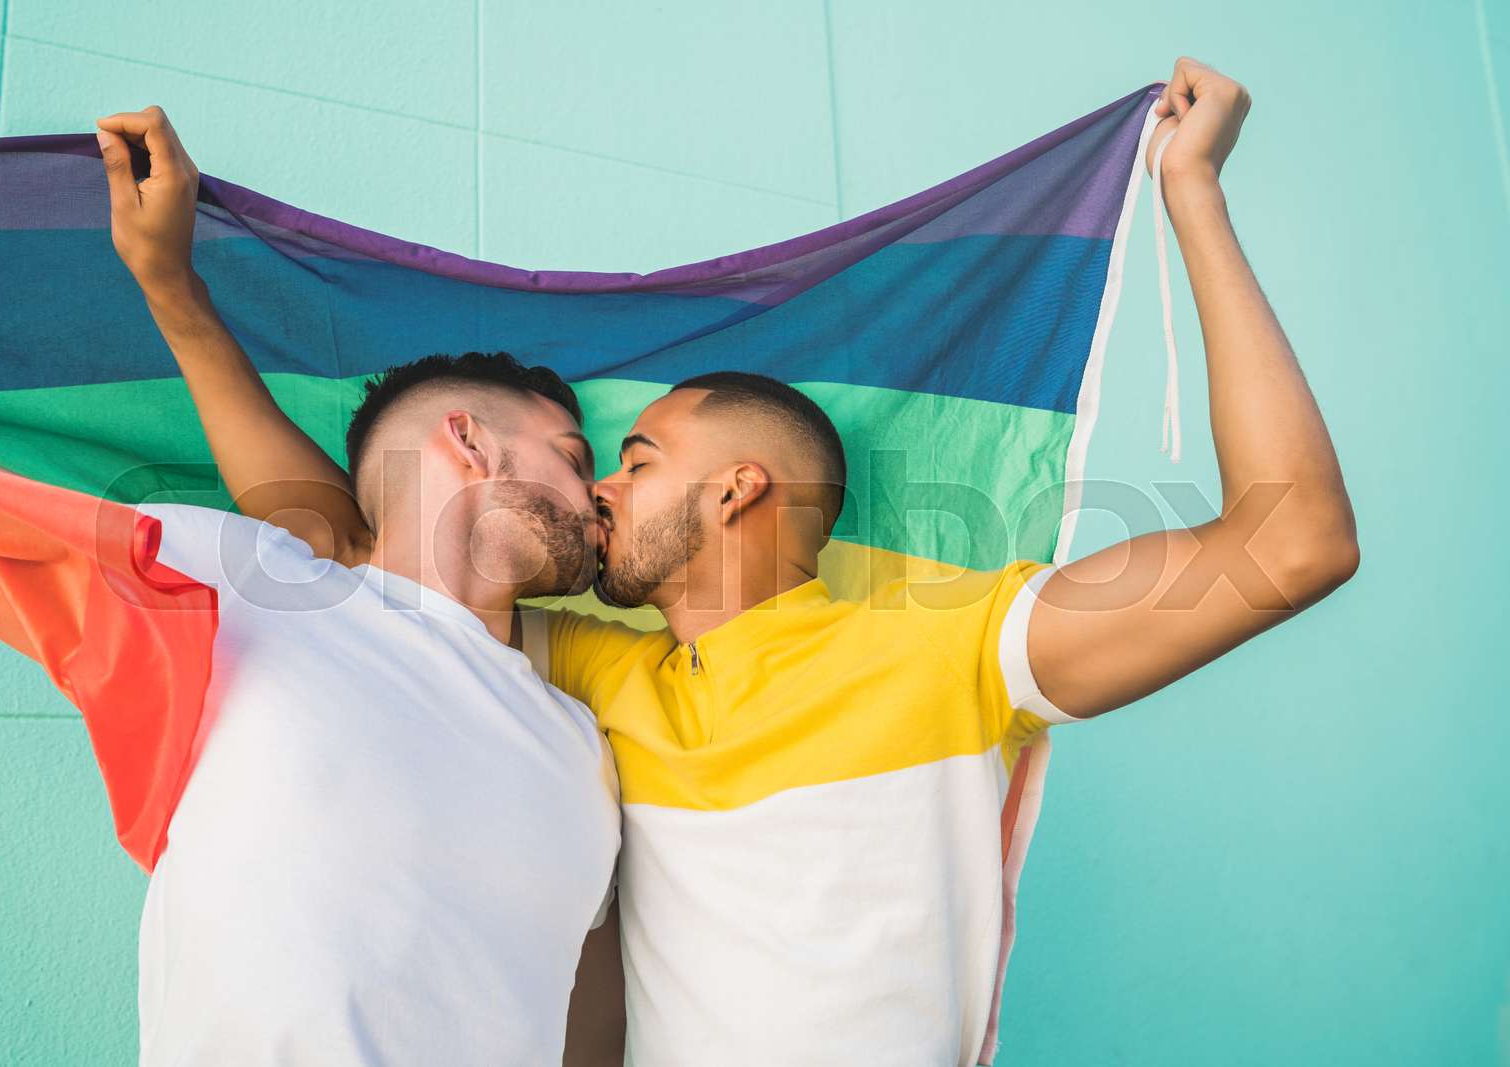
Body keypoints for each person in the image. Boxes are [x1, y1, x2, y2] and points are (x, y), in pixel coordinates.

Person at [97, 56, 1359, 1065]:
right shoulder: (589, 683)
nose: (596, 485)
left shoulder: (957, 641)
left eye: (632, 457)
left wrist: (1191, 191)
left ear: (739, 486)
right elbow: (358, 546)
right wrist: (173, 288)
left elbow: (1292, 542)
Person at [0, 347, 623, 1064]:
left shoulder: (583, 747)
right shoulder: (246, 577)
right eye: (574, 457)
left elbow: (588, 1028)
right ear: (468, 440)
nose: (597, 494)